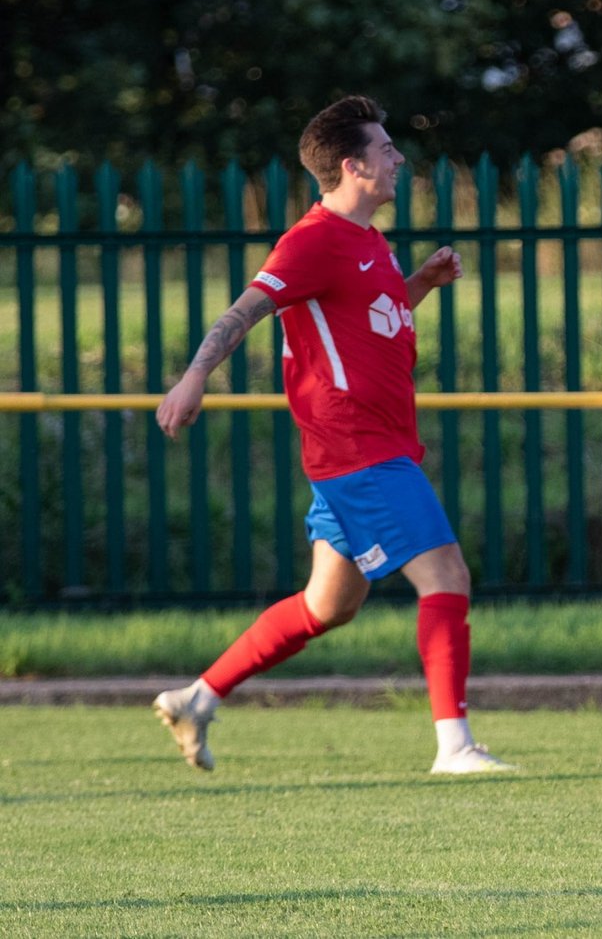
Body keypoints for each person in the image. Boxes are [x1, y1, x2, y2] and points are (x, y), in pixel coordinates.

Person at [152, 95, 514, 775]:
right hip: (357, 452)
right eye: (385, 149)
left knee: (328, 605)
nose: (398, 158)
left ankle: (197, 698)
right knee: (446, 576)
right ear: (353, 166)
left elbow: (370, 315)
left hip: (371, 450)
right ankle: (454, 746)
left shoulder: (368, 241)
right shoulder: (312, 240)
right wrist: (194, 376)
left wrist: (422, 284)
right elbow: (244, 311)